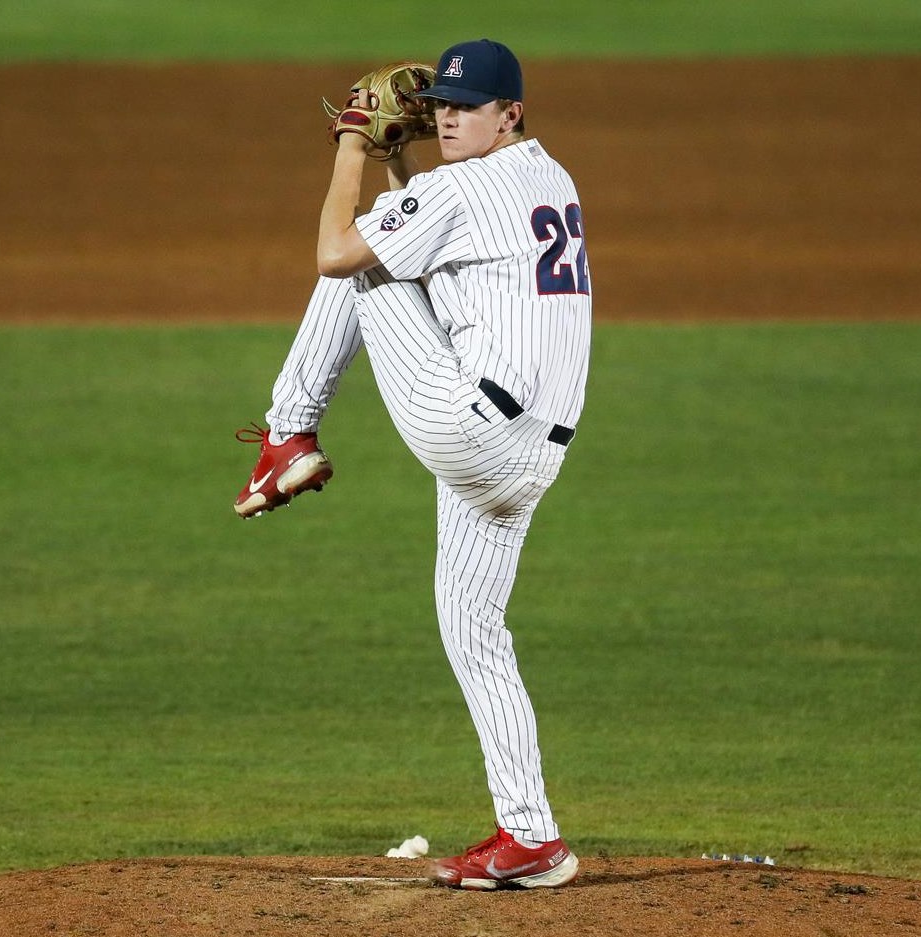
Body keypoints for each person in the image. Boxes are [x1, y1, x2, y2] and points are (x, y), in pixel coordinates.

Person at [233, 38, 591, 891]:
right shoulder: (553, 178)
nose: (448, 117)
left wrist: (356, 146)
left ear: (512, 112)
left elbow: (338, 249)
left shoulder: (453, 188)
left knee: (357, 266)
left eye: (468, 106)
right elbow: (436, 238)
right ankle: (532, 837)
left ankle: (289, 433)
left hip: (469, 430)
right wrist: (403, 174)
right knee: (474, 631)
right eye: (442, 106)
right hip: (529, 456)